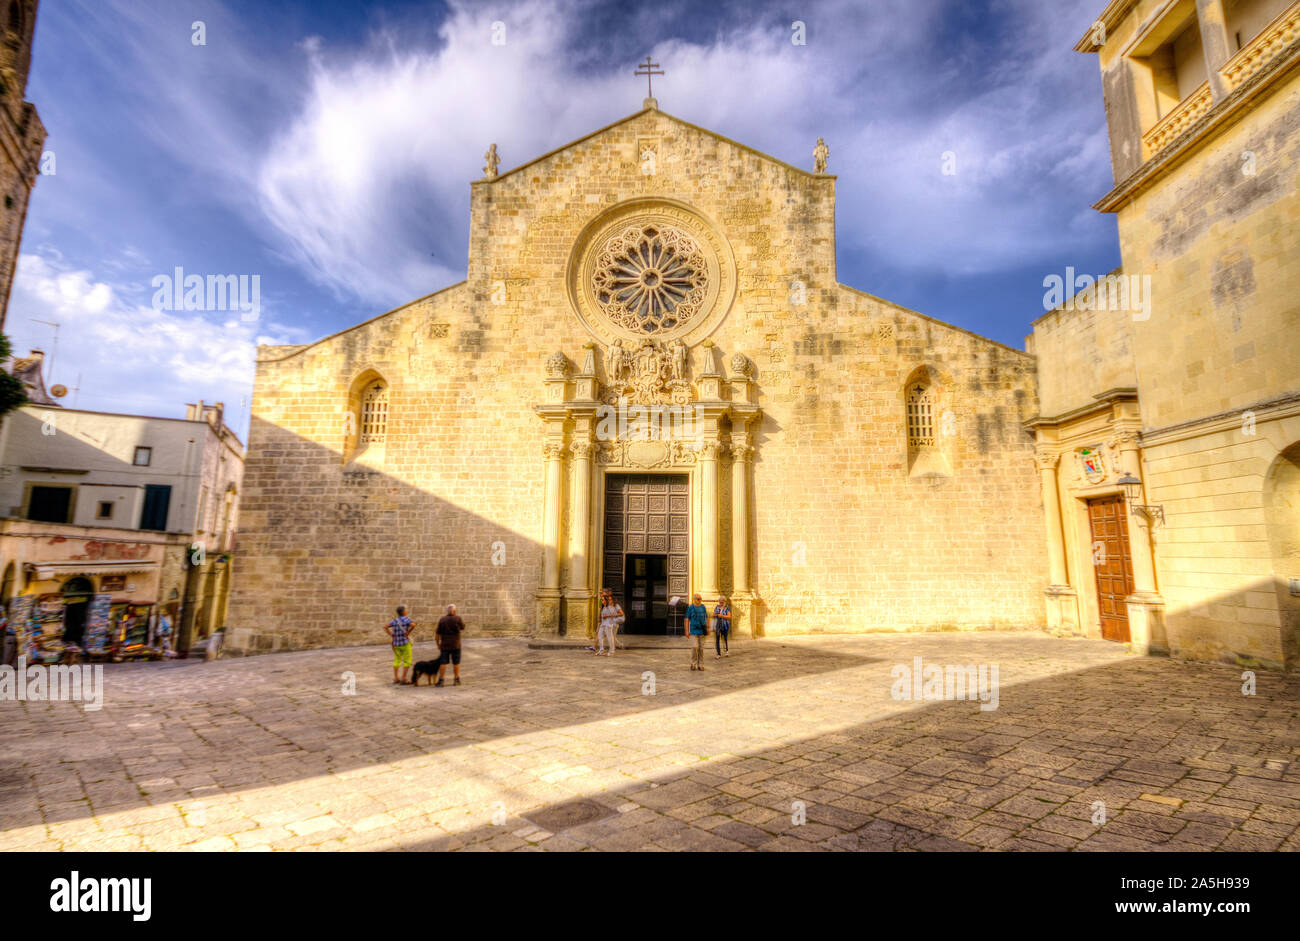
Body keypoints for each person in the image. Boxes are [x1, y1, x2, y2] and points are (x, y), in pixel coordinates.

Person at [435, 603, 465, 686]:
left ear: (447, 611)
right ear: (454, 611)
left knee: (443, 662)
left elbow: (437, 633)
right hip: (456, 644)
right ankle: (456, 679)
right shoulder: (458, 618)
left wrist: (438, 644)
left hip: (445, 644)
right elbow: (463, 627)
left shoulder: (442, 619)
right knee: (456, 662)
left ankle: (441, 680)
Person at [386, 605, 414, 685]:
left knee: (397, 660)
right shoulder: (406, 619)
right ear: (404, 612)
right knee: (407, 661)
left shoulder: (395, 620)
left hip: (396, 643)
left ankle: (396, 678)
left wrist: (391, 635)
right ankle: (403, 678)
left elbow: (385, 627)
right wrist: (408, 632)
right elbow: (413, 625)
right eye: (406, 610)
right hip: (405, 643)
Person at [683, 593, 709, 671]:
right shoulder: (690, 608)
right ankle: (693, 663)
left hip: (702, 630)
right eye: (698, 599)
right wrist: (687, 631)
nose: (700, 600)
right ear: (694, 599)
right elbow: (686, 619)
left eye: (700, 599)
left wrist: (708, 628)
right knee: (695, 646)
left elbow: (707, 617)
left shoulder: (703, 607)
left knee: (701, 648)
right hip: (694, 630)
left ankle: (700, 664)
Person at [596, 589, 623, 656]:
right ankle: (601, 650)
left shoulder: (612, 607)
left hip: (609, 624)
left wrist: (608, 615)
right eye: (602, 600)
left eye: (603, 600)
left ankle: (612, 651)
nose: (602, 601)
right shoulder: (604, 607)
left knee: (610, 637)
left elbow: (620, 614)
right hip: (603, 624)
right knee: (599, 636)